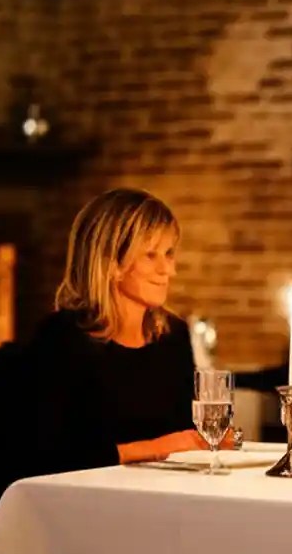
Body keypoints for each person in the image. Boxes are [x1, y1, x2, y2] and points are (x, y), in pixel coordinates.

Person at [17, 187, 230, 475]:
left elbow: (185, 433)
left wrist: (206, 442)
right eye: (151, 255)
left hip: (166, 494)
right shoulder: (63, 337)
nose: (168, 270)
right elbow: (48, 451)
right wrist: (154, 447)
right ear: (111, 264)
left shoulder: (172, 335)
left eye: (169, 254)